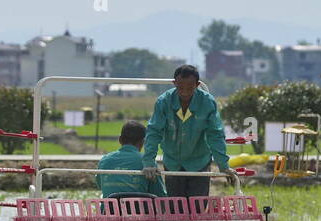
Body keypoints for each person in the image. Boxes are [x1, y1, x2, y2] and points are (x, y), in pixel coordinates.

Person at [142, 64, 237, 201]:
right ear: (174, 83)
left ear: (197, 85)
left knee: (198, 206)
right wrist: (149, 162)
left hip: (199, 162)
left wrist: (223, 165)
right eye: (180, 88)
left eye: (190, 88)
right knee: (175, 207)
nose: (185, 92)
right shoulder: (164, 102)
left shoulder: (207, 102)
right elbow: (154, 132)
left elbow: (215, 135)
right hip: (173, 162)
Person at [97, 121, 166, 198]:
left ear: (120, 139)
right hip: (139, 209)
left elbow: (100, 185)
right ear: (143, 142)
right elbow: (159, 193)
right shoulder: (148, 164)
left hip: (109, 209)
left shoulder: (104, 161)